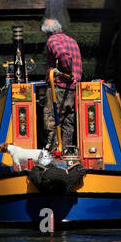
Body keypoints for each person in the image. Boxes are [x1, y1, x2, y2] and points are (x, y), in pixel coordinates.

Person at [41, 16, 82, 153]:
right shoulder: (72, 41)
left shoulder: (53, 40)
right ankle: (66, 151)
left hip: (58, 87)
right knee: (68, 123)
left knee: (51, 120)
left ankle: (54, 153)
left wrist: (67, 72)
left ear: (48, 33)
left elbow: (63, 55)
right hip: (73, 89)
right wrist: (72, 76)